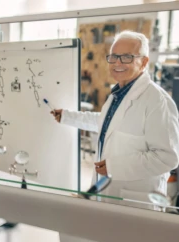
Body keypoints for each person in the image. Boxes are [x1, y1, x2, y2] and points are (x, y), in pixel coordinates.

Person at [51, 31, 179, 207]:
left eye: (126, 57)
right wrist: (67, 116)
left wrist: (114, 167)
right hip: (108, 192)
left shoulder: (158, 101)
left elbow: (167, 158)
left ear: (144, 62)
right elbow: (106, 123)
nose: (117, 63)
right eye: (113, 57)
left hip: (137, 200)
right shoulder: (118, 93)